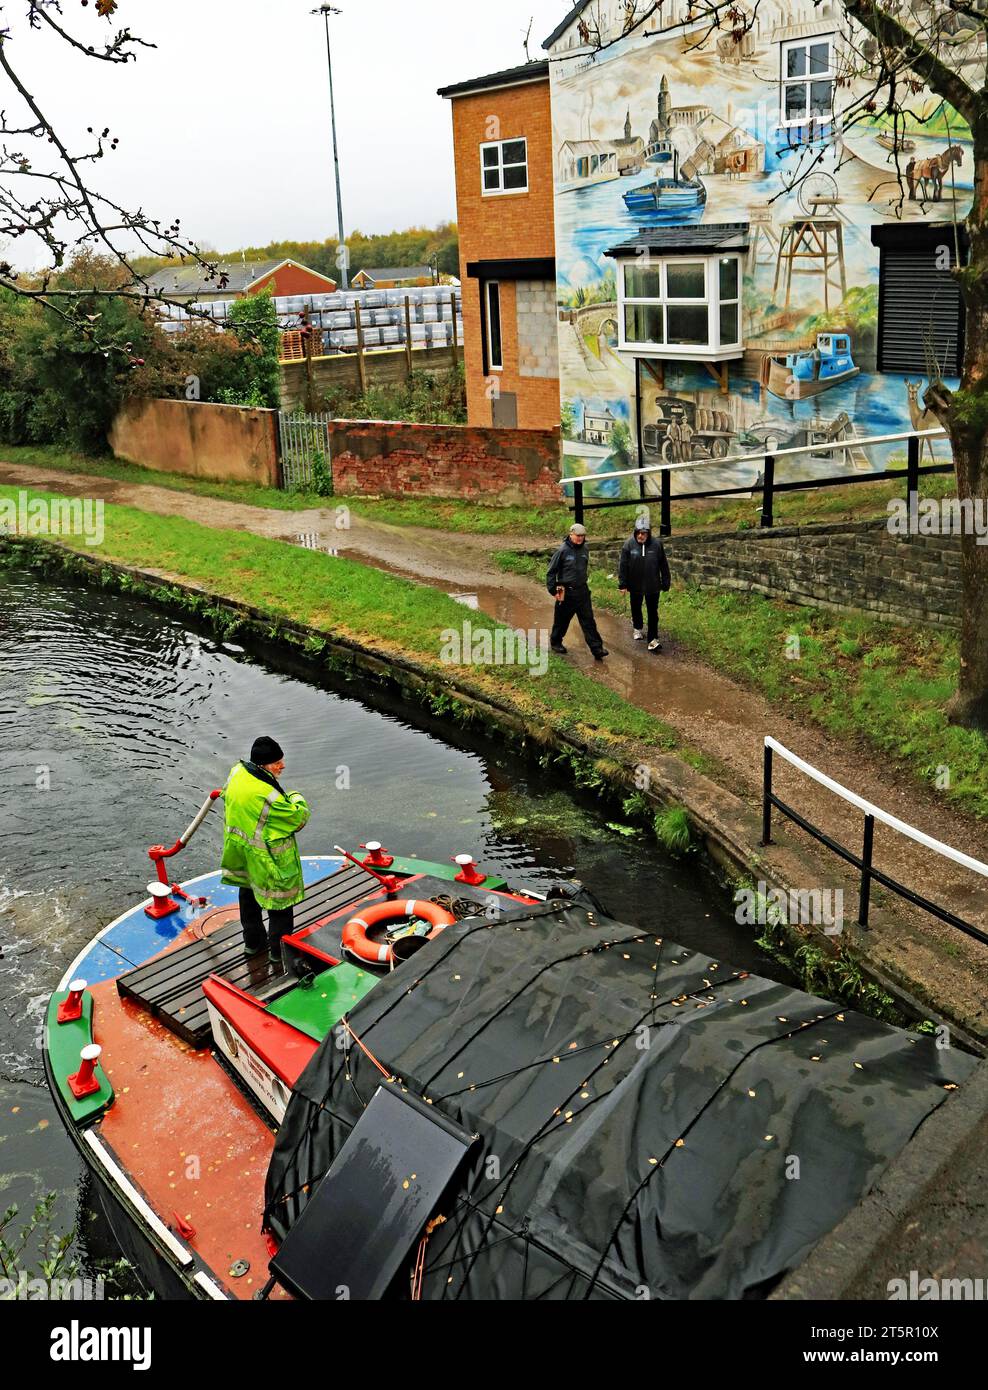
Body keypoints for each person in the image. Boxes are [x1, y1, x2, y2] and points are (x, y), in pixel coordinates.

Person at [221, 736, 311, 965]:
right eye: (277, 763)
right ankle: (278, 953)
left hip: (240, 852)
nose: (282, 766)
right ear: (262, 766)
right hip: (267, 859)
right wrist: (296, 796)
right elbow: (297, 818)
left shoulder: (237, 772)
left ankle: (252, 944)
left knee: (248, 897)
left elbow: (225, 795)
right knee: (279, 905)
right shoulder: (267, 794)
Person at [547, 522, 608, 662]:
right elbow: (551, 572)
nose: (580, 538)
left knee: (588, 621)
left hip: (582, 591)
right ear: (571, 535)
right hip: (566, 592)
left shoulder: (585, 549)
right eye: (577, 536)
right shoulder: (562, 550)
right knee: (561, 621)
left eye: (582, 536)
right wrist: (553, 590)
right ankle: (556, 642)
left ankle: (597, 649)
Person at [618, 516, 671, 653]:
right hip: (634, 585)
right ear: (635, 533)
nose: (641, 536)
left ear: (649, 533)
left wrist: (666, 581)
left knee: (653, 612)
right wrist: (622, 584)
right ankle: (637, 627)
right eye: (639, 533)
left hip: (653, 585)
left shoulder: (657, 544)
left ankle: (653, 639)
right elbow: (623, 566)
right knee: (636, 607)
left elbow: (663, 565)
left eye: (644, 533)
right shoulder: (628, 545)